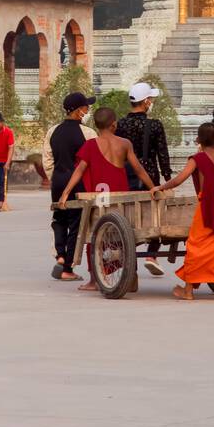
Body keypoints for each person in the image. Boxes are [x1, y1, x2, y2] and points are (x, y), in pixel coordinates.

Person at [58, 106, 157, 291]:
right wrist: (154, 189)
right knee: (127, 237)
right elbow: (139, 169)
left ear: (96, 126)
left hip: (99, 200)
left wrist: (65, 193)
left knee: (94, 236)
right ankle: (132, 276)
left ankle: (95, 280)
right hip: (120, 200)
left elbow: (79, 170)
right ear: (114, 125)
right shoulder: (124, 143)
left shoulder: (89, 145)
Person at [154, 122, 214, 301]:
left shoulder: (197, 159)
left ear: (198, 140)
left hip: (208, 205)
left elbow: (178, 181)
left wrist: (160, 186)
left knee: (196, 245)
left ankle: (189, 290)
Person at [116, 82, 172, 276]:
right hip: (149, 174)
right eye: (151, 99)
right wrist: (167, 177)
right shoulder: (154, 125)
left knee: (127, 214)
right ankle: (151, 255)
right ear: (146, 101)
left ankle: (128, 259)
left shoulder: (120, 124)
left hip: (126, 173)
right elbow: (162, 154)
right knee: (155, 213)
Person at [43, 91, 96, 281]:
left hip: (58, 180)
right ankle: (67, 269)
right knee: (75, 223)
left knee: (59, 218)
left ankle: (60, 255)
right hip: (78, 183)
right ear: (78, 111)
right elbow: (92, 162)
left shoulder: (52, 131)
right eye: (86, 107)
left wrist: (55, 177)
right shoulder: (88, 134)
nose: (88, 110)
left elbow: (47, 160)